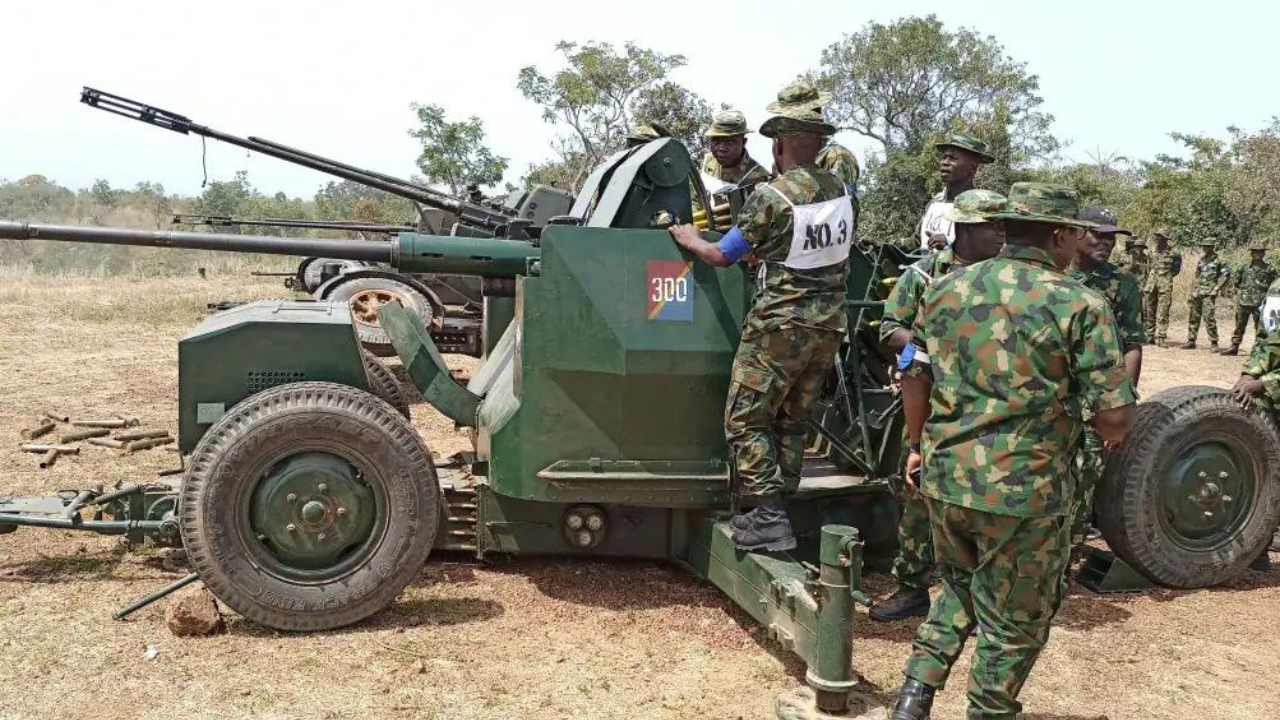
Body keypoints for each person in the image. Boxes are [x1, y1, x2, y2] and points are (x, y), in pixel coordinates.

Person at [889, 182, 1137, 720]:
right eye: (1076, 232)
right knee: (1015, 616)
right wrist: (1108, 431)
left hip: (947, 475)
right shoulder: (1079, 302)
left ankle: (914, 696)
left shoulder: (946, 289)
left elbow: (914, 374)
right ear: (1060, 234)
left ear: (1007, 227)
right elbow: (1115, 416)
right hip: (1025, 488)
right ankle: (989, 709)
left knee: (957, 586)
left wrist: (915, 446)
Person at [667, 81, 853, 552]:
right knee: (793, 421)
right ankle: (779, 517)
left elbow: (722, 255)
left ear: (779, 142)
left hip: (780, 325)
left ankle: (767, 516)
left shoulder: (772, 196)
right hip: (829, 326)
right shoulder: (844, 193)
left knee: (746, 420)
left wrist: (688, 238)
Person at [871, 188, 1007, 623]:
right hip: (932, 400)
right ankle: (912, 587)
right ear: (966, 228)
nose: (1003, 235)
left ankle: (976, 596)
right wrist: (928, 350)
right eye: (995, 226)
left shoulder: (1008, 278)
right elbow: (890, 329)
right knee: (919, 494)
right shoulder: (925, 275)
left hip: (991, 403)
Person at [1067, 207, 1146, 548]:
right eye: (1099, 235)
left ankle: (1069, 551)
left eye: (1112, 237)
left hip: (1094, 398)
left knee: (1086, 474)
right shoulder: (1048, 275)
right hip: (1049, 394)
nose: (1108, 243)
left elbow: (1132, 345)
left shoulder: (1122, 284)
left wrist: (1121, 403)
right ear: (1076, 232)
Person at [916, 134, 995, 251]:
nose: (945, 162)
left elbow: (987, 248)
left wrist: (949, 244)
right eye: (944, 157)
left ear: (972, 167)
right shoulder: (935, 202)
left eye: (953, 158)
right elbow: (918, 240)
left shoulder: (982, 207)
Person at [1225, 243, 1276, 356]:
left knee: (1259, 327)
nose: (1258, 254)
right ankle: (1234, 346)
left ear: (1263, 254)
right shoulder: (1244, 268)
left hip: (1261, 303)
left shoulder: (1270, 269)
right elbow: (1237, 282)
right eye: (1255, 252)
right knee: (1239, 325)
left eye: (1260, 252)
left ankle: (1259, 349)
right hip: (1244, 301)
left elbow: (1274, 286)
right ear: (1251, 253)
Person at [1182, 238, 1232, 352]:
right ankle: (1191, 340)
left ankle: (1214, 342)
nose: (1205, 248)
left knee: (1209, 318)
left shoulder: (1220, 260)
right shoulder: (1201, 260)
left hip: (1209, 293)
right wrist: (1192, 291)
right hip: (1198, 292)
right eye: (1203, 246)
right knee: (1193, 317)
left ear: (1212, 247)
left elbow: (1226, 275)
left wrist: (1216, 289)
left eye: (1207, 246)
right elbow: (1197, 276)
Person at [700, 110, 771, 188]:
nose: (721, 148)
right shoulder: (708, 161)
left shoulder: (760, 179)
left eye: (730, 141)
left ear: (743, 142)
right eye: (716, 140)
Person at [1143, 230, 1182, 347]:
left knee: (1163, 311)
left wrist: (1166, 277)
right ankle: (1150, 335)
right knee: (1149, 309)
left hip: (1165, 284)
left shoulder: (1174, 253)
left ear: (1166, 239)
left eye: (1160, 237)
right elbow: (1148, 267)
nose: (1157, 239)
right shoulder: (1151, 251)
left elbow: (1176, 269)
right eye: (1157, 236)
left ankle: (1161, 337)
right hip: (1151, 284)